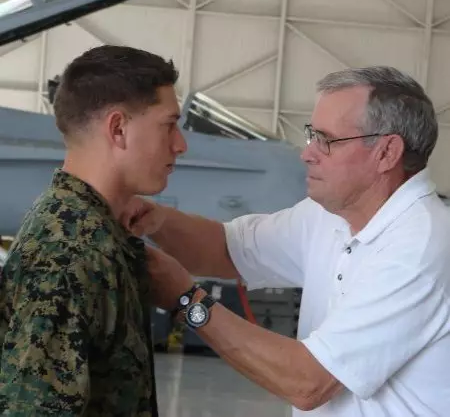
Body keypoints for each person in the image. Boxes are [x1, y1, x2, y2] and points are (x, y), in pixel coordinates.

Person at [122, 66, 450, 416]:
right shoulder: (328, 216)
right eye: (312, 135)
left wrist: (188, 300)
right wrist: (156, 220)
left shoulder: (420, 247)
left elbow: (309, 383)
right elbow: (227, 249)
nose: (307, 153)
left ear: (386, 152)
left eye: (327, 140)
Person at [0, 45, 187, 416]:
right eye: (169, 125)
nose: (180, 145)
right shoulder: (70, 251)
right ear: (118, 129)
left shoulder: (94, 231)